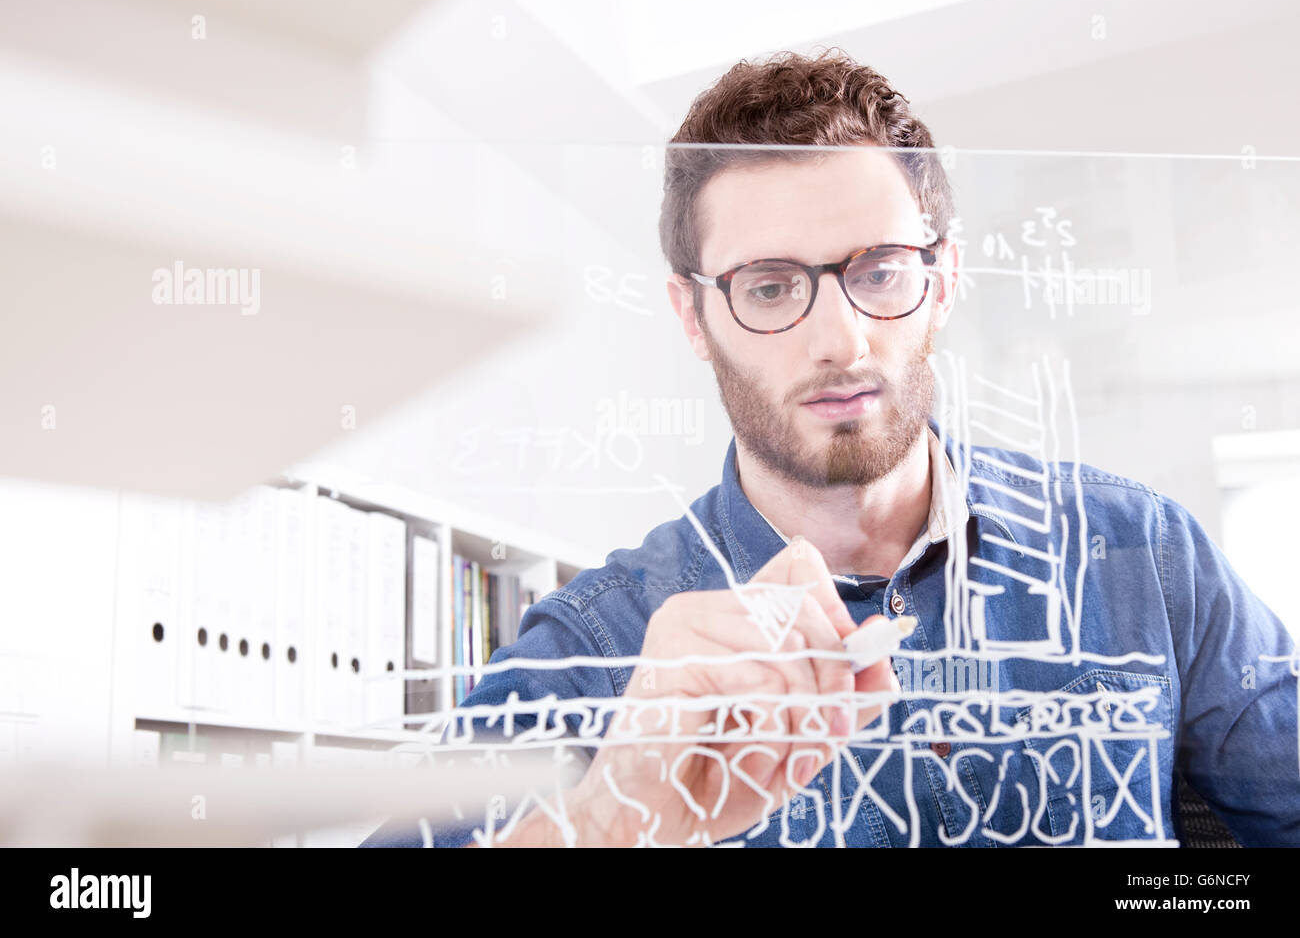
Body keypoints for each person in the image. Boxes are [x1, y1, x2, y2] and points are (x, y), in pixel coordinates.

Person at [362, 48, 1299, 848]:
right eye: (770, 288)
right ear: (693, 315)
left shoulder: (1148, 556)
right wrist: (610, 818)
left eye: (880, 271)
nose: (840, 340)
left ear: (942, 280)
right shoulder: (599, 650)